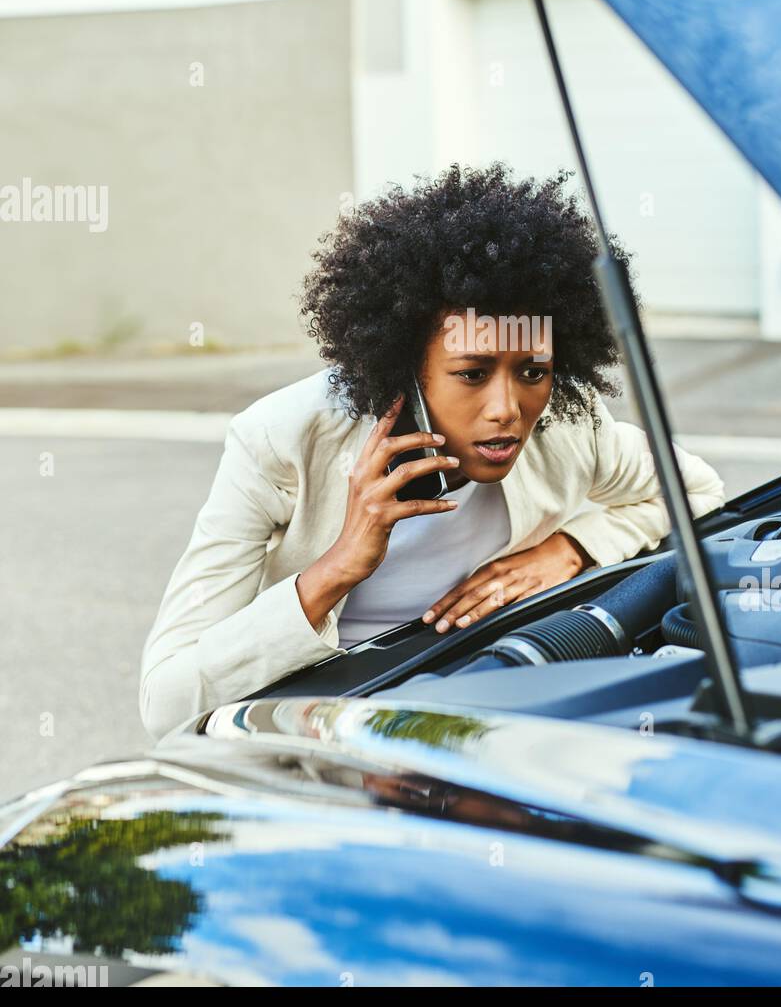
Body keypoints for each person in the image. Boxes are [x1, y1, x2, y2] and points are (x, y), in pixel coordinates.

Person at [139, 164, 724, 739]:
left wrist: (571, 549)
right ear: (405, 372)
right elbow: (167, 703)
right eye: (472, 373)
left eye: (532, 371)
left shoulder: (569, 425)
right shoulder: (282, 440)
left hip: (491, 705)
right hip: (325, 726)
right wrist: (338, 567)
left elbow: (695, 491)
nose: (507, 408)